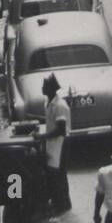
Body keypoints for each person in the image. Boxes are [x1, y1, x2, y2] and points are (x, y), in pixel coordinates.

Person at [41, 73, 72, 214]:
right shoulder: (48, 103)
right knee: (55, 174)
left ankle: (62, 205)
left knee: (58, 175)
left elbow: (60, 129)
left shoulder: (59, 105)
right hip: (52, 143)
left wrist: (42, 136)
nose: (42, 88)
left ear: (50, 89)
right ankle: (60, 202)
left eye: (44, 86)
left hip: (60, 143)